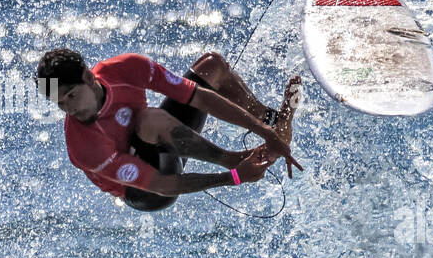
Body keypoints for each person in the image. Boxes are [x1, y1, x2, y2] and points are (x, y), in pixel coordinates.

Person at [35, 48, 301, 212]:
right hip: (146, 193)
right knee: (151, 120)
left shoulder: (125, 69)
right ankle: (233, 159)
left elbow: (199, 98)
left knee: (211, 66)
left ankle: (275, 123)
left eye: (70, 96)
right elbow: (162, 185)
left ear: (88, 77)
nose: (68, 109)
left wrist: (264, 131)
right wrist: (232, 176)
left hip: (159, 138)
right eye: (58, 103)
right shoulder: (83, 146)